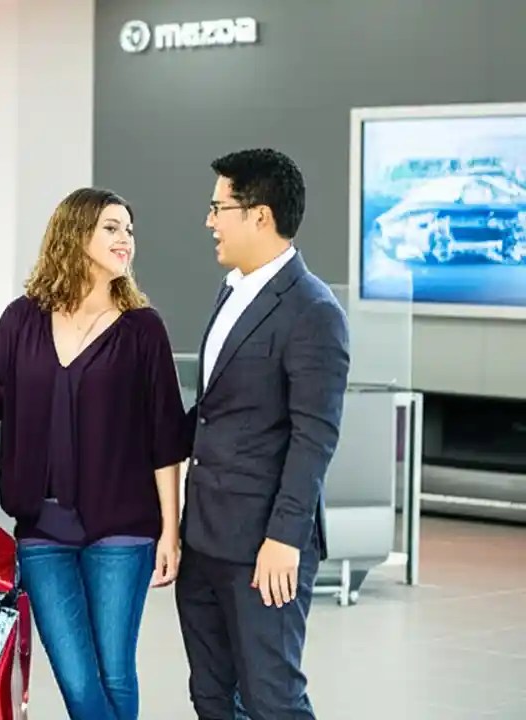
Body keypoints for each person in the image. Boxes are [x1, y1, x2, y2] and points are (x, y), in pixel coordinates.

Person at [0, 188, 189, 720]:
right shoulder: (23, 318)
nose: (126, 240)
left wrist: (171, 532)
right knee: (75, 676)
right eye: (112, 229)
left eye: (129, 230)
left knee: (114, 669)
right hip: (42, 528)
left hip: (125, 526)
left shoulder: (144, 328)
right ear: (75, 235)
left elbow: (167, 438)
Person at [177, 148, 350, 720]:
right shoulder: (232, 290)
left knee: (270, 698)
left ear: (259, 215)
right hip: (204, 536)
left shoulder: (313, 310)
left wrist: (284, 541)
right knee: (210, 695)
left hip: (263, 549)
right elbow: (213, 411)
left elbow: (314, 438)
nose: (209, 221)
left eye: (217, 207)